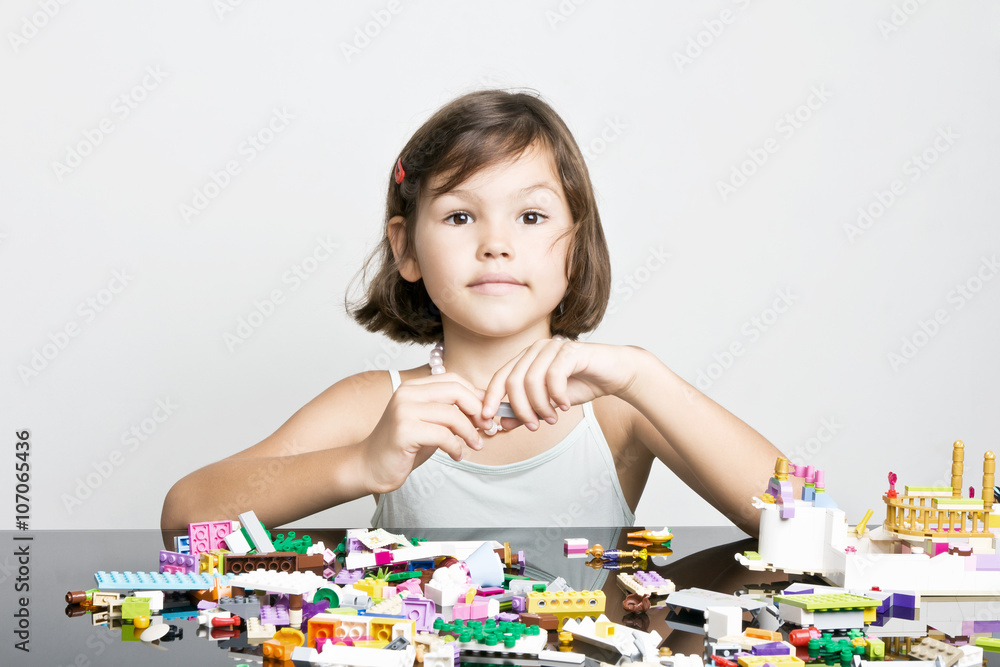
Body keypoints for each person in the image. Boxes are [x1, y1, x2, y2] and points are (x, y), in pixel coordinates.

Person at [161, 89, 786, 535]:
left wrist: (644, 375)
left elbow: (807, 526)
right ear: (406, 248)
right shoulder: (375, 406)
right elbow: (185, 515)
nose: (496, 243)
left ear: (577, 245)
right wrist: (363, 462)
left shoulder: (617, 409)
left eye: (532, 216)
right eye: (460, 216)